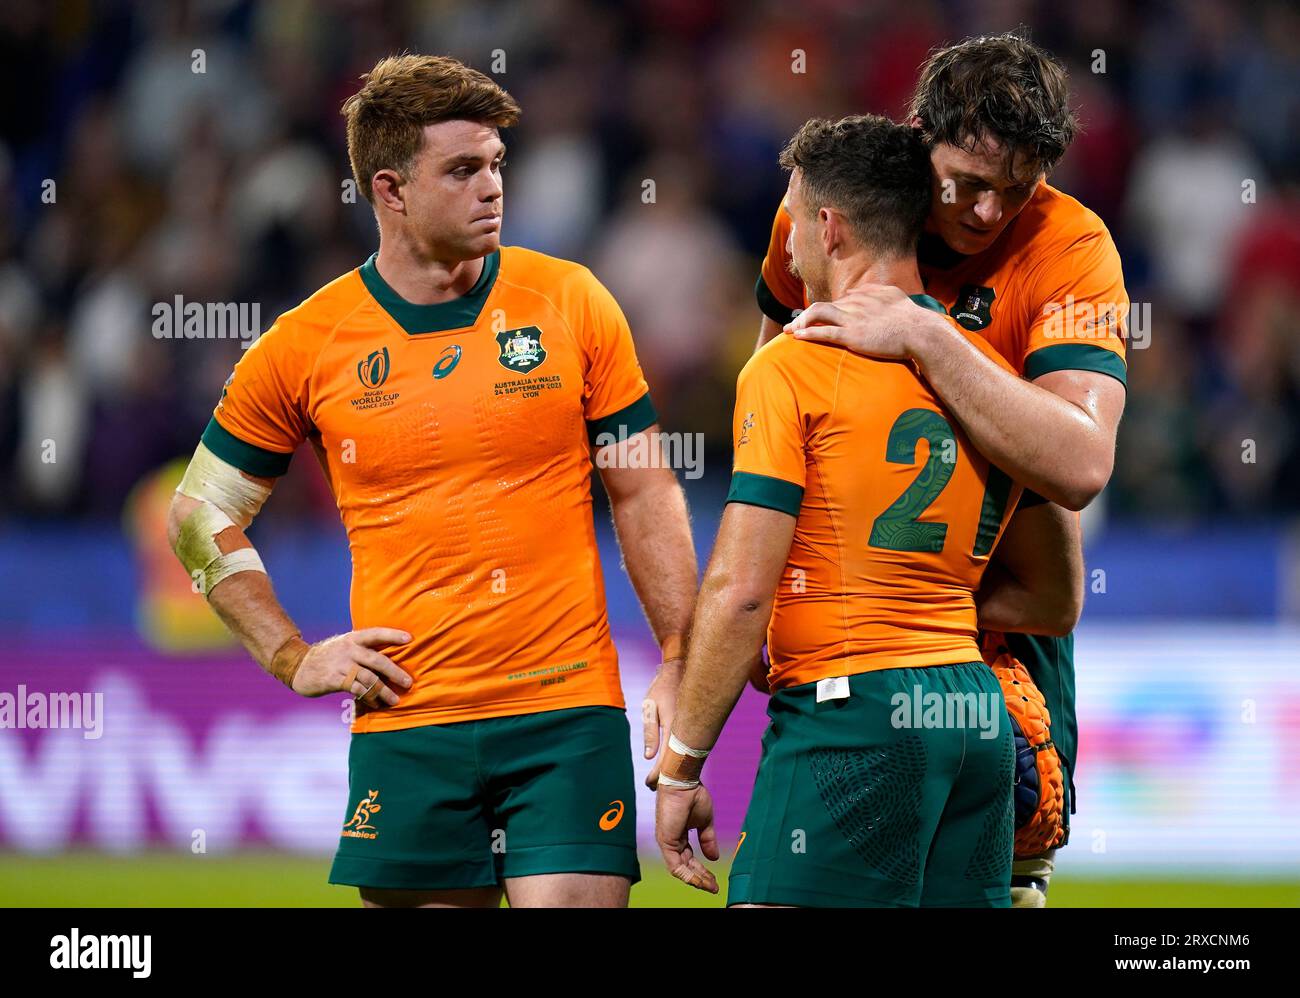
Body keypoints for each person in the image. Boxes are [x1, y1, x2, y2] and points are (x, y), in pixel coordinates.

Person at [166, 54, 697, 908]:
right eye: (461, 170)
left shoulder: (572, 301)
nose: (492, 187)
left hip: (565, 711)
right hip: (408, 723)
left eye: (495, 165)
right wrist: (293, 656)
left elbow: (643, 490)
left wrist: (679, 657)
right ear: (390, 189)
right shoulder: (306, 345)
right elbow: (198, 515)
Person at [655, 115, 1081, 907]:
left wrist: (682, 761)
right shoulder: (990, 381)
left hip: (851, 718)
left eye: (791, 220)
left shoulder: (794, 365)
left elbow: (743, 590)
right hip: (973, 717)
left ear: (828, 226)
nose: (784, 249)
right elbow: (1058, 597)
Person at [755, 33, 1129, 905]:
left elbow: (1079, 461)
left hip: (1002, 633)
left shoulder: (1071, 246)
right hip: (843, 634)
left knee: (1003, 884)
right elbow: (771, 391)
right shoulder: (822, 211)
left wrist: (927, 331)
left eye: (1018, 186)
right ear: (919, 131)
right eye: (968, 181)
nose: (990, 212)